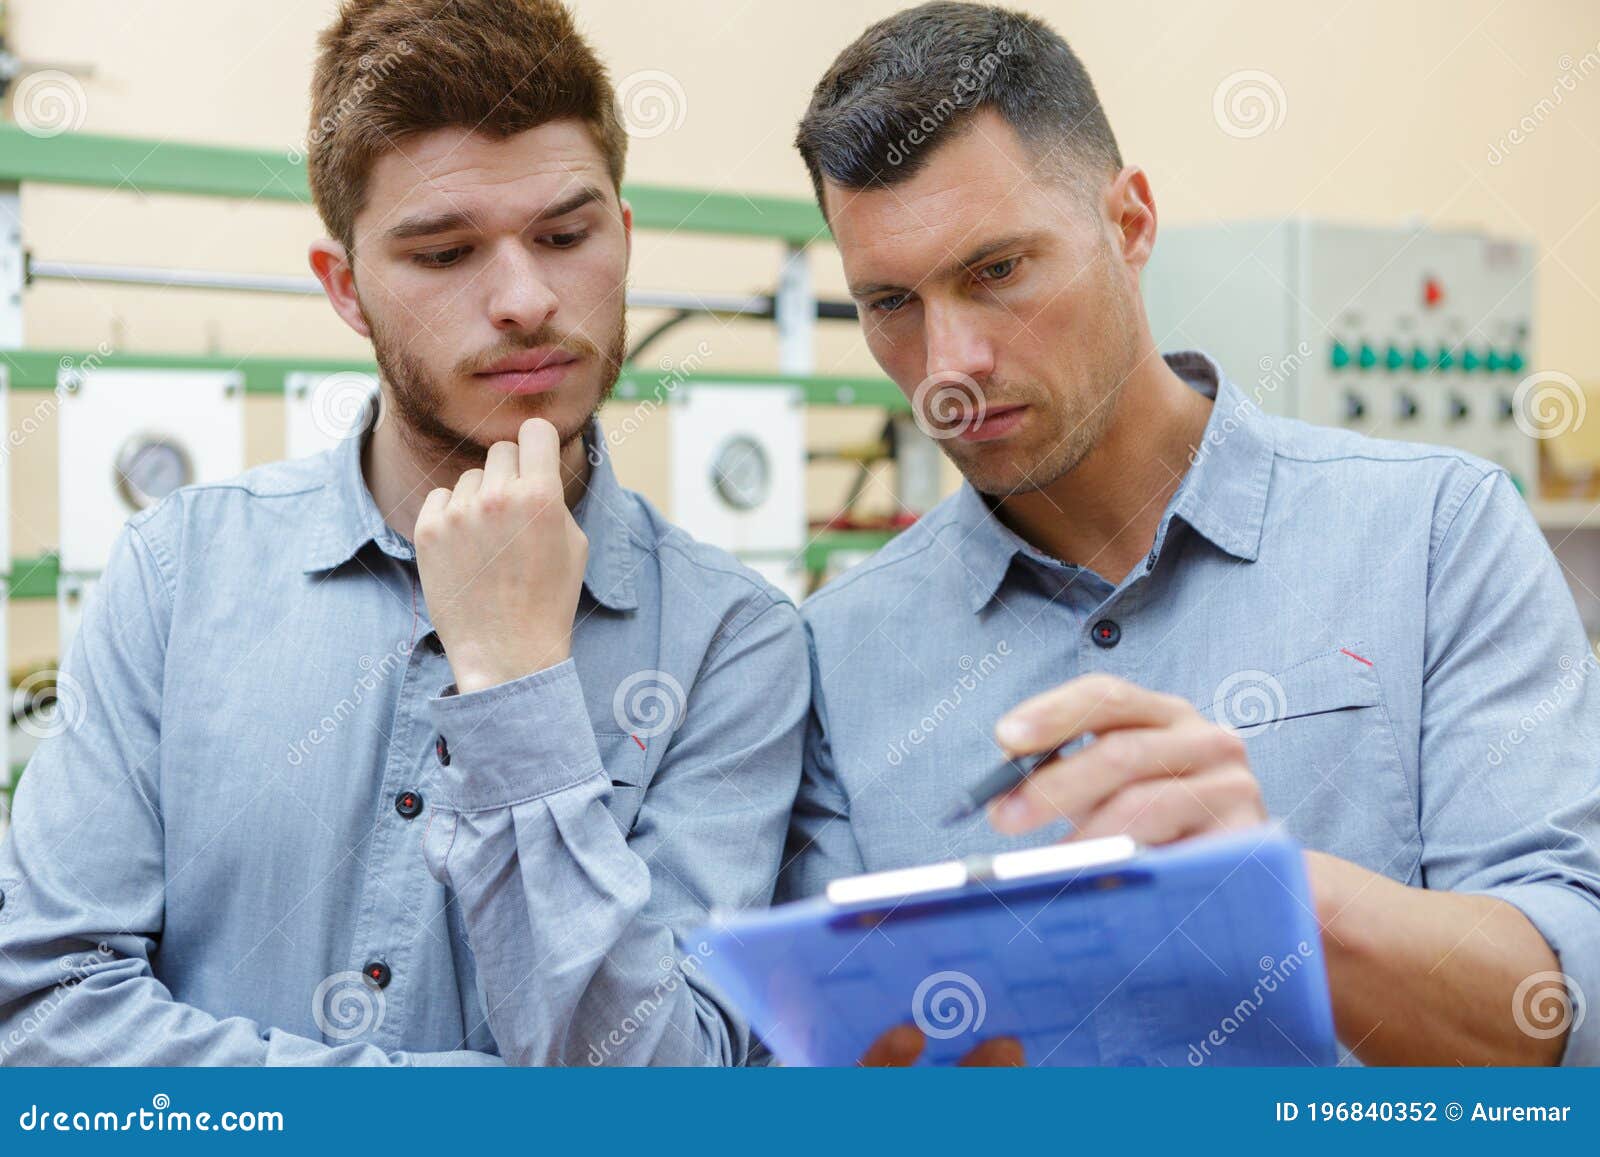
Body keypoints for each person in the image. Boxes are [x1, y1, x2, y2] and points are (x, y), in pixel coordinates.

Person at [781, 0, 1600, 1066]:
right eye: (890, 301)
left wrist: (1273, 895)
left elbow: (1561, 1013)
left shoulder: (1438, 534)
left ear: (1129, 225)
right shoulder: (835, 653)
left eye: (996, 271)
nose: (950, 363)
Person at [0, 0, 806, 1066]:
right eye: (442, 252)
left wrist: (517, 685)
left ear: (623, 230)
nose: (524, 298)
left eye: (566, 236)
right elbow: (46, 1017)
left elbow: (666, 1092)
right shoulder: (177, 575)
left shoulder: (734, 643)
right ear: (345, 287)